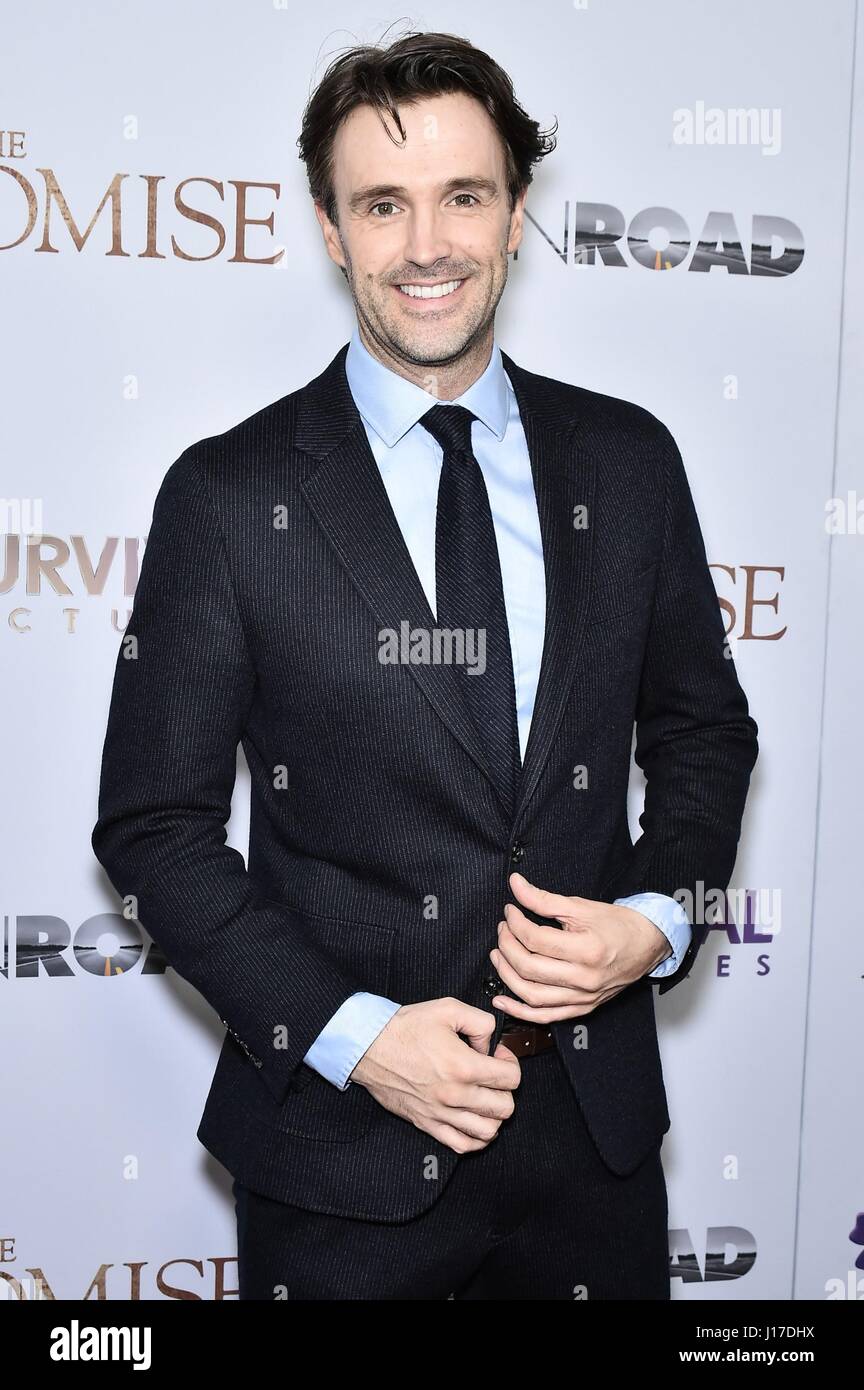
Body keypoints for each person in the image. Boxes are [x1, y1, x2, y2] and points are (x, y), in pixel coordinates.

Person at [92, 30, 758, 1300]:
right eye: (382, 205)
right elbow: (155, 826)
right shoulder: (231, 496)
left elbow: (704, 734)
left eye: (465, 195)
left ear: (517, 215)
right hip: (343, 1168)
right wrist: (361, 1040)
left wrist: (658, 920)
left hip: (595, 1163)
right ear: (333, 232)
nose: (429, 244)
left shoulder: (628, 464)